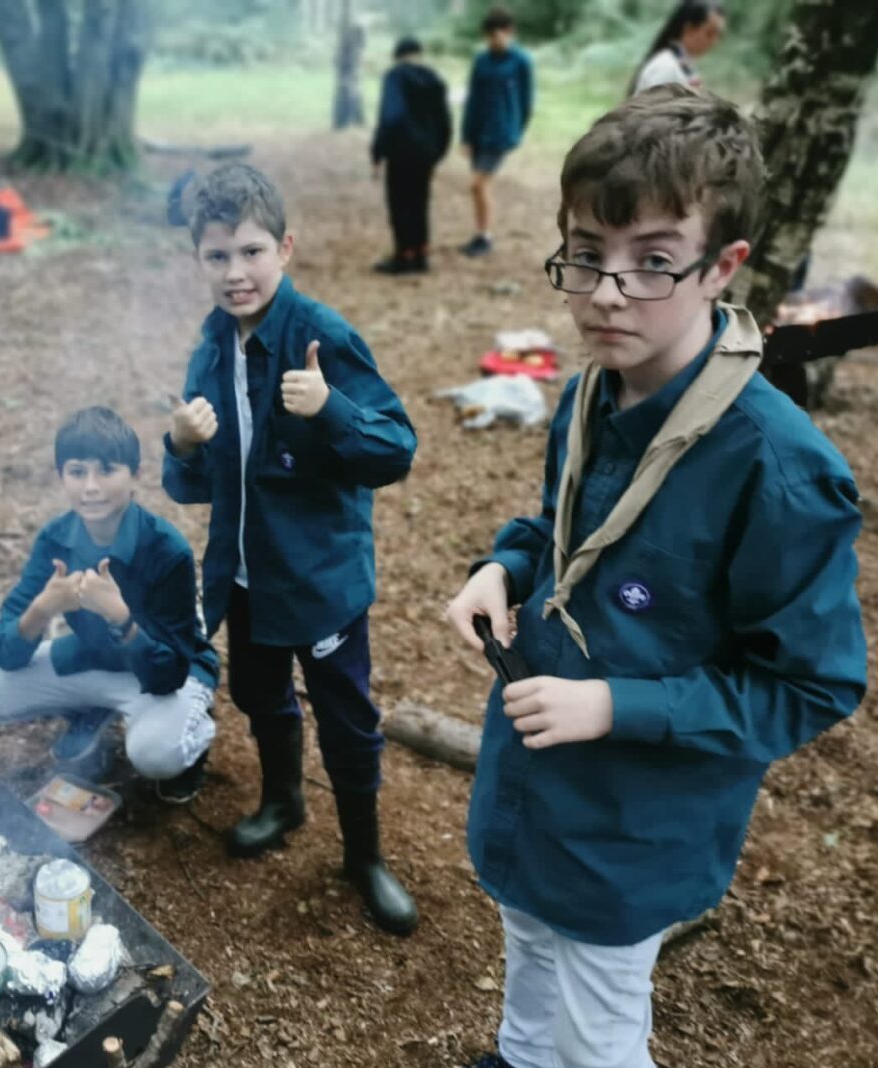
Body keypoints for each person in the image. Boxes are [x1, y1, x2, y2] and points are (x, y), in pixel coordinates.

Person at [396, 86, 866, 1068]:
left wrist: (621, 706)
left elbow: (811, 686)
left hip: (636, 831)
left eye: (654, 260)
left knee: (605, 1048)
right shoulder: (588, 394)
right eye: (585, 253)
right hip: (537, 783)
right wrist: (499, 565)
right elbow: (556, 531)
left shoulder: (780, 472)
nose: (608, 293)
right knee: (525, 933)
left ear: (723, 267)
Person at [163, 163, 419, 935]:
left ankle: (364, 855)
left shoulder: (323, 338)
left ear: (285, 248)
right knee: (259, 696)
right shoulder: (209, 348)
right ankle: (283, 799)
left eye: (250, 252)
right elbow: (194, 487)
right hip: (244, 576)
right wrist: (180, 446)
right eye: (217, 256)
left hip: (320, 581)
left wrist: (332, 407)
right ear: (197, 261)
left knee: (346, 716)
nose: (236, 273)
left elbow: (396, 448)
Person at [0, 407, 218, 803]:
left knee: (155, 755)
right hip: (93, 658)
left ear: (135, 476)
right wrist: (42, 609)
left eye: (107, 471)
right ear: (62, 477)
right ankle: (90, 710)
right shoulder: (56, 539)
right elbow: (6, 652)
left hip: (166, 673)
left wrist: (119, 614)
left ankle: (193, 737)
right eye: (77, 472)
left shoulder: (167, 550)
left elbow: (169, 673)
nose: (91, 487)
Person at [371, 35, 452, 275]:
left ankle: (404, 255)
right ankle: (421, 253)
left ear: (397, 56)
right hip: (426, 151)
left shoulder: (395, 77)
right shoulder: (435, 78)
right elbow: (445, 121)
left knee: (400, 203)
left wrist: (379, 152)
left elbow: (389, 117)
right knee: (419, 201)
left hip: (401, 151)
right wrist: (438, 152)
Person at [459, 7, 533, 258]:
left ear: (510, 32)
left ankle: (485, 236)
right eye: (490, 34)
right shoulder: (481, 61)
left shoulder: (521, 61)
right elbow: (472, 100)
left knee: (478, 185)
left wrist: (515, 131)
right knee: (481, 188)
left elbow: (526, 102)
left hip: (501, 133)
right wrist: (466, 136)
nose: (494, 38)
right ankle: (480, 234)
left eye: (499, 33)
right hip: (479, 132)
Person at [631, 2, 725, 95]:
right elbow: (653, 110)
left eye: (718, 35)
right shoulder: (666, 68)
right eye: (710, 33)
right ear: (688, 28)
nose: (714, 42)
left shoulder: (683, 66)